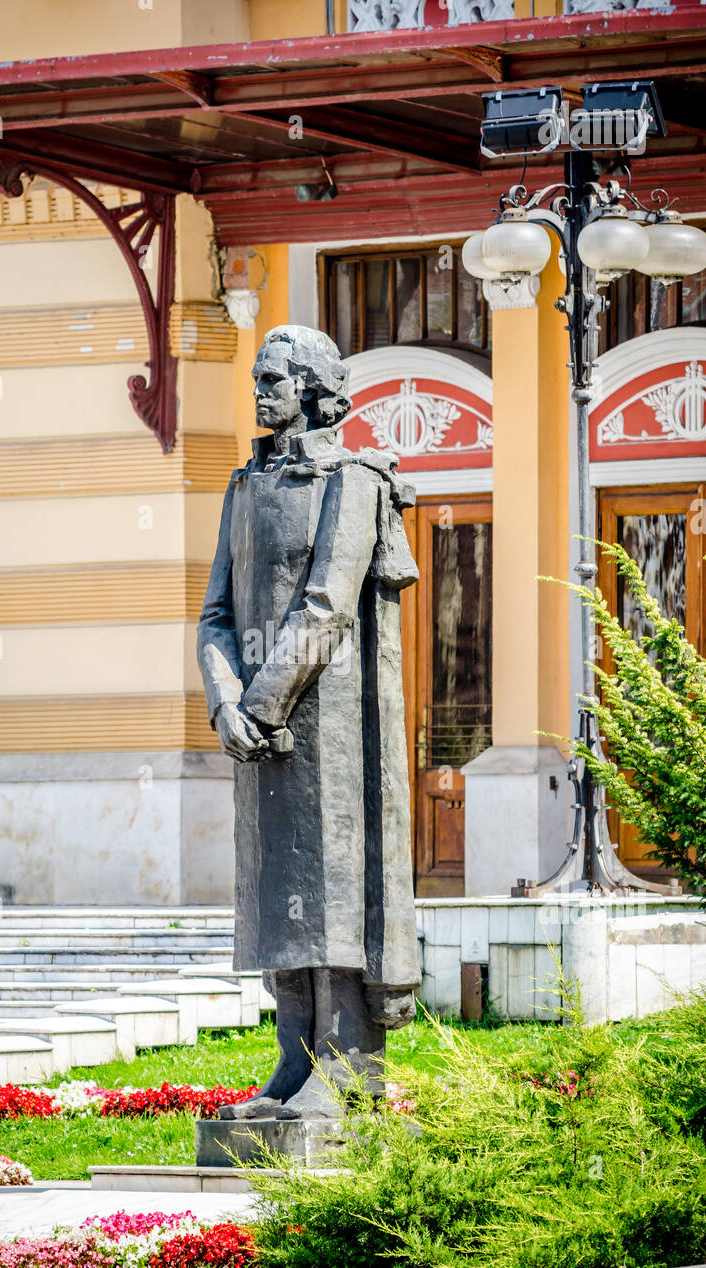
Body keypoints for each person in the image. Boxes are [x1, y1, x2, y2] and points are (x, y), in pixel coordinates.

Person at [197, 324, 420, 1119]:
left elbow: (327, 605)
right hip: (260, 735)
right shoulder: (241, 486)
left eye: (273, 380)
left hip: (331, 725)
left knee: (330, 890)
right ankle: (293, 1061)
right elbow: (214, 612)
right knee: (276, 890)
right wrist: (224, 701)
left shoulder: (350, 481)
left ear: (316, 391)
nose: (259, 392)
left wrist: (260, 702)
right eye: (256, 379)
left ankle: (345, 1070)